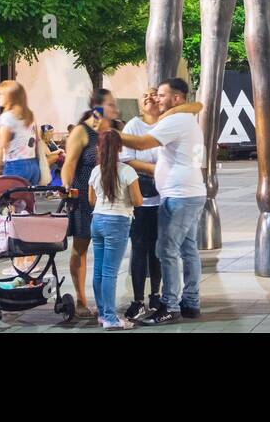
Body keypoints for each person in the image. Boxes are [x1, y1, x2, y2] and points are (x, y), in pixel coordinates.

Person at [118, 78, 206, 326]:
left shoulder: (177, 120)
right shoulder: (185, 119)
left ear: (176, 98)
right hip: (188, 192)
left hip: (180, 195)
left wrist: (115, 135)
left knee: (165, 250)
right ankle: (191, 301)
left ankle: (170, 305)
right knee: (188, 250)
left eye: (162, 95)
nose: (157, 99)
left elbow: (143, 142)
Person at [88, 128, 143, 329]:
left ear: (99, 148)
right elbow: (138, 201)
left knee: (99, 270)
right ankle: (111, 319)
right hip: (117, 222)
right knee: (110, 272)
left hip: (97, 221)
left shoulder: (96, 171)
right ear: (120, 147)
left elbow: (91, 200)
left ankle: (103, 313)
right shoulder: (128, 171)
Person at [120, 89, 164, 322]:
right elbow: (126, 159)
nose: (148, 97)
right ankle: (137, 301)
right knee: (139, 249)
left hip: (164, 197)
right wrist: (155, 169)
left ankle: (156, 295)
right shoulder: (133, 127)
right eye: (145, 94)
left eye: (154, 94)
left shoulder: (166, 124)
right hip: (140, 198)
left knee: (158, 250)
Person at [61, 102, 103, 317]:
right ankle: (81, 299)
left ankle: (104, 301)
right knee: (81, 247)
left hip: (107, 198)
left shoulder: (111, 130)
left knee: (106, 251)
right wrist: (67, 188)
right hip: (83, 198)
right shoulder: (82, 132)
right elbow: (69, 163)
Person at [0, 81, 42, 184]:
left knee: (7, 199)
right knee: (25, 199)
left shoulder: (7, 117)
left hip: (16, 166)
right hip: (33, 166)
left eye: (1, 94)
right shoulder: (30, 116)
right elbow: (37, 141)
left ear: (10, 96)